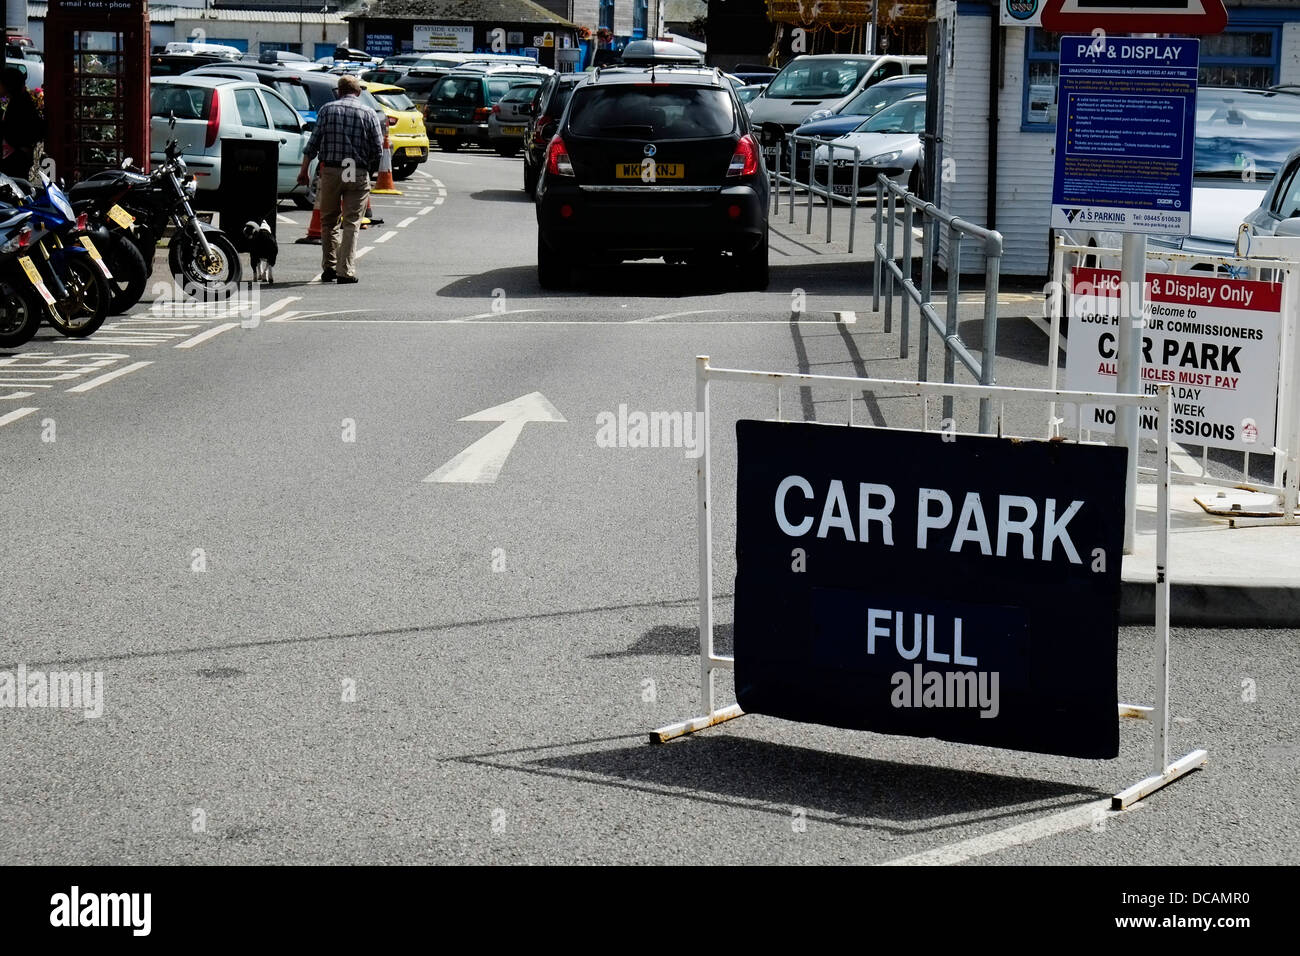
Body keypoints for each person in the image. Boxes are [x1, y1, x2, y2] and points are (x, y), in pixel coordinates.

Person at [297, 75, 383, 284]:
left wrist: (304, 171)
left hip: (331, 171)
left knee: (328, 221)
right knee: (352, 222)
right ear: (358, 92)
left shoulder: (327, 109)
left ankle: (329, 267)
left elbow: (313, 143)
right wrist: (368, 169)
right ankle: (346, 271)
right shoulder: (369, 112)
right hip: (357, 170)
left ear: (339, 91)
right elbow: (378, 148)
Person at [1, 67, 46, 180]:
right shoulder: (20, 100)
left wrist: (22, 147)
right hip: (17, 156)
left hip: (15, 159)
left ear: (9, 85)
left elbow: (14, 132)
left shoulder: (19, 104)